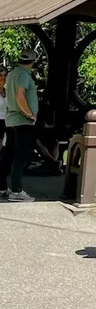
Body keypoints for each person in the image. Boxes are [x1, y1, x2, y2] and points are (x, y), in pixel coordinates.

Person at [0, 50, 39, 201]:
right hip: (22, 121)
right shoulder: (23, 74)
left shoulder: (13, 73)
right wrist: (29, 114)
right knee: (20, 155)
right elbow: (20, 94)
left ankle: (2, 186)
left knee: (8, 154)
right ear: (33, 61)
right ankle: (16, 191)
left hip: (11, 120)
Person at [0, 66, 7, 156]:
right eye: (0, 75)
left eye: (5, 75)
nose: (3, 78)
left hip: (6, 121)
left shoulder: (7, 91)